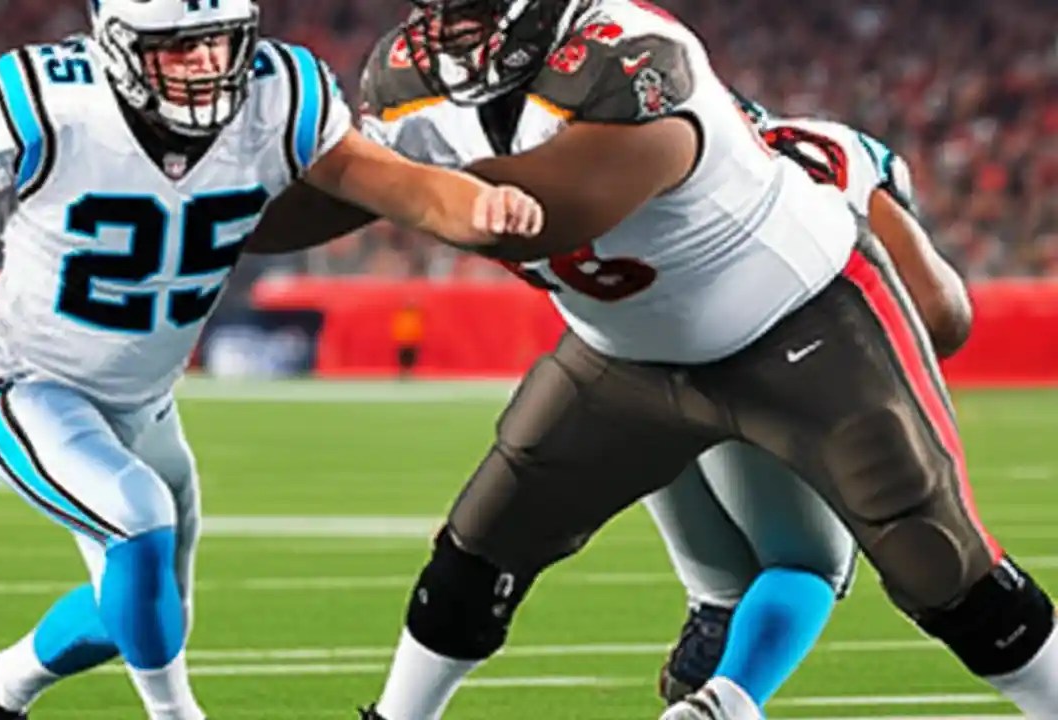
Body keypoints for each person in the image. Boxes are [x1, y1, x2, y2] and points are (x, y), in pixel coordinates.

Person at [249, 1, 1058, 718]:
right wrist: (216, 199)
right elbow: (323, 201)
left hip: (799, 329)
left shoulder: (633, 51)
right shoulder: (403, 74)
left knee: (939, 566)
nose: (449, 25)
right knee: (481, 545)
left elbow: (550, 213)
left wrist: (385, 180)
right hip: (627, 355)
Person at [0, 2, 543, 718]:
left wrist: (480, 206)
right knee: (139, 524)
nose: (206, 65)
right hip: (28, 384)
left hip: (148, 399)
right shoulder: (54, 101)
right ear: (118, 46)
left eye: (220, 43)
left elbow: (403, 186)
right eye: (178, 48)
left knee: (149, 608)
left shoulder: (278, 93)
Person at [650, 91, 975, 710]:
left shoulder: (662, 148)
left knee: (724, 596)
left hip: (625, 375)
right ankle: (725, 701)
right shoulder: (841, 153)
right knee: (806, 563)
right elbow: (942, 313)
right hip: (760, 358)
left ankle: (716, 650)